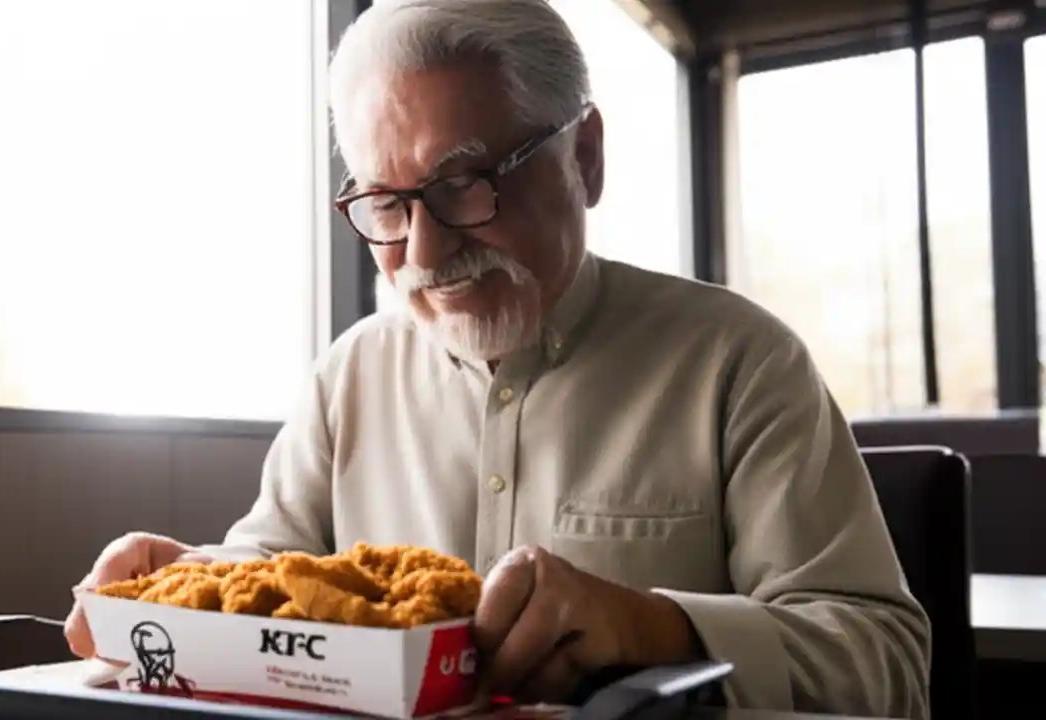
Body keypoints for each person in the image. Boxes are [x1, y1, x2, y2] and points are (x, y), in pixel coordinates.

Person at [65, 1, 929, 716]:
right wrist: (188, 585)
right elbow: (273, 577)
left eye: (462, 186)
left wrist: (654, 629)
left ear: (584, 157)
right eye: (387, 203)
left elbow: (888, 669)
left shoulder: (739, 361)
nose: (426, 252)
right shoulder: (348, 378)